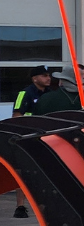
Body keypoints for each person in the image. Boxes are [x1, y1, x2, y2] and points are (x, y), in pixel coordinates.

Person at [11, 66, 53, 217]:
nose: (48, 78)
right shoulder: (25, 93)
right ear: (34, 78)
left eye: (49, 75)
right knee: (22, 170)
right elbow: (17, 115)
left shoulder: (50, 94)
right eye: (44, 76)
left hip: (44, 136)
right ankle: (20, 206)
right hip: (26, 136)